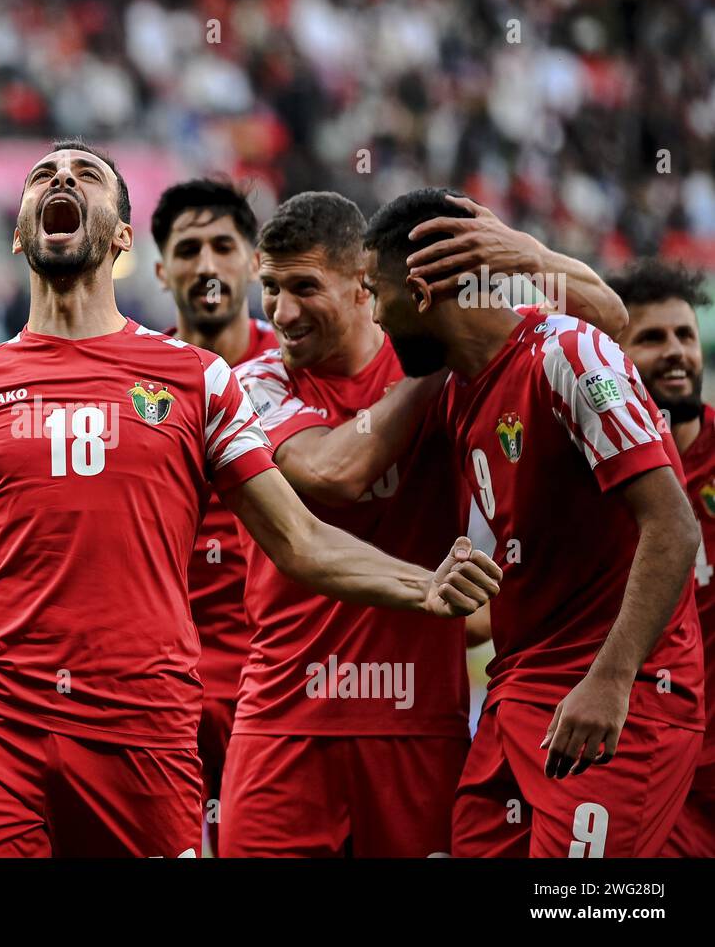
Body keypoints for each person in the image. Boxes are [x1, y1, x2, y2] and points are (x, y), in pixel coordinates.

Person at [0, 139, 502, 859]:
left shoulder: (197, 381)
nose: (61, 179)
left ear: (124, 237)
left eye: (86, 173)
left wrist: (420, 586)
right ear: (21, 230)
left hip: (144, 732)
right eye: (43, 175)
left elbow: (301, 543)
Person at [221, 191, 627, 857]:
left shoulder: (443, 347)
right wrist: (437, 364)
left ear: (364, 286)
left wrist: (531, 255)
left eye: (304, 287)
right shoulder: (255, 383)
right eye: (270, 288)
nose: (282, 313)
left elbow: (607, 322)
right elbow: (333, 471)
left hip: (419, 727)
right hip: (284, 724)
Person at [365, 188, 704, 857]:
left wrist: (610, 682)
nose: (376, 316)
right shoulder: (463, 392)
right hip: (517, 699)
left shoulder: (568, 356)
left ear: (422, 291)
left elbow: (674, 525)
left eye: (378, 294)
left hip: (616, 697)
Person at [151, 177, 276, 852]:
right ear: (160, 269)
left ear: (254, 261)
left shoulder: (297, 369)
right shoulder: (134, 380)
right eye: (188, 248)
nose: (206, 264)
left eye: (224, 246)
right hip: (160, 682)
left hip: (275, 678)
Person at [610, 258, 715, 857]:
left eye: (685, 335)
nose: (675, 352)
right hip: (640, 753)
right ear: (614, 359)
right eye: (651, 338)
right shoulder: (592, 477)